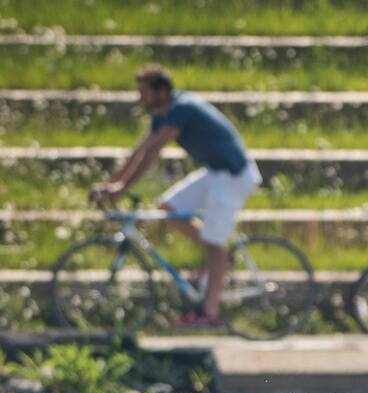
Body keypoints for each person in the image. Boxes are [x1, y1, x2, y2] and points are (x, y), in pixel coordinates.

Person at [93, 64, 261, 329]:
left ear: (161, 91)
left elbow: (154, 152)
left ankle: (210, 313)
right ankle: (220, 260)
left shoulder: (181, 109)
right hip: (217, 173)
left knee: (215, 244)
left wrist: (123, 189)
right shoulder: (162, 114)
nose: (140, 99)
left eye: (144, 93)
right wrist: (112, 184)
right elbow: (140, 150)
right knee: (169, 207)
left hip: (233, 177)